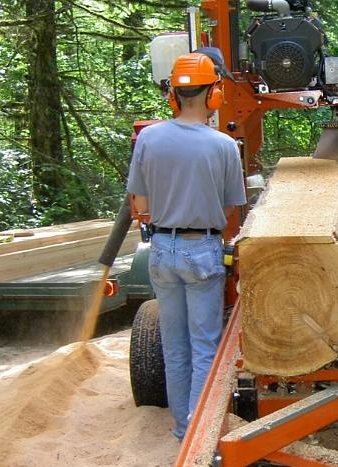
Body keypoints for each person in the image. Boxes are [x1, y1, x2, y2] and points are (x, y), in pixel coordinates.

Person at [127, 51, 246, 440]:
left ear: (172, 96)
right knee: (205, 348)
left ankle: (183, 428)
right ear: (214, 94)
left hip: (161, 251)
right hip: (202, 252)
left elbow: (140, 206)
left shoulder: (148, 137)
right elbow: (231, 206)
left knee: (174, 347)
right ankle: (198, 434)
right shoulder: (224, 145)